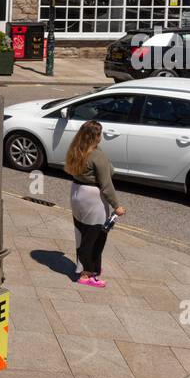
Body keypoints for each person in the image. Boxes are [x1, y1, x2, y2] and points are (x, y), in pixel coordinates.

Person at [63, 120, 126, 288]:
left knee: (81, 233)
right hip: (93, 197)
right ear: (96, 136)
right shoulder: (97, 155)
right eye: (100, 134)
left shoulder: (76, 150)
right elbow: (106, 184)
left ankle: (90, 266)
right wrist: (116, 206)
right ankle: (86, 274)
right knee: (95, 236)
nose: (101, 137)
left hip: (77, 193)